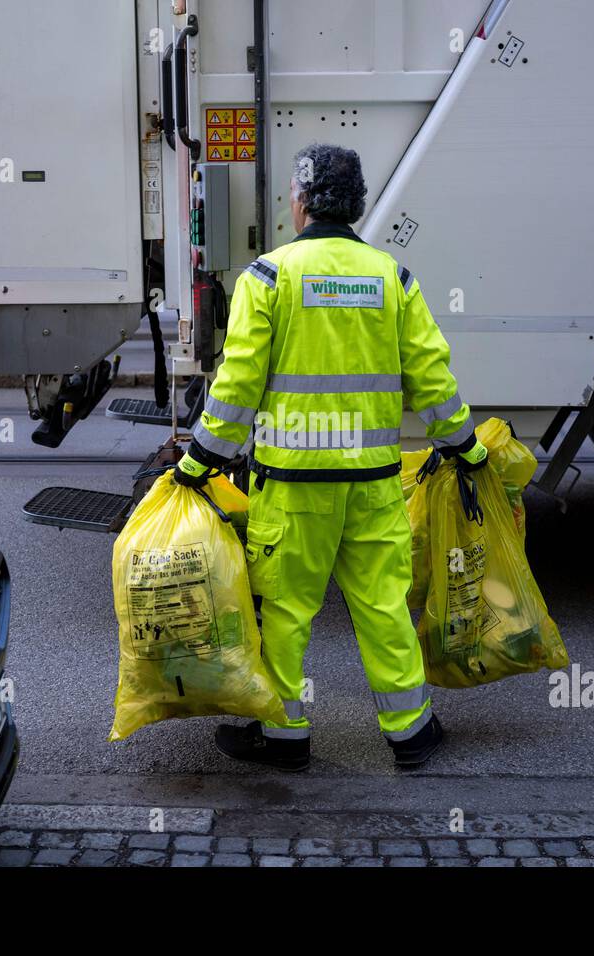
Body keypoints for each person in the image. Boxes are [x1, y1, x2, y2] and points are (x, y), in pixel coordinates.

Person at [174, 143, 487, 771]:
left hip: (294, 489)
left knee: (285, 613)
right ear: (358, 203)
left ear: (301, 201)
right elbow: (432, 379)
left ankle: (283, 737)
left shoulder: (269, 277)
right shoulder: (390, 277)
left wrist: (199, 461)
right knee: (382, 605)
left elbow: (236, 388)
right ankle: (411, 733)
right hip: (373, 486)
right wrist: (467, 448)